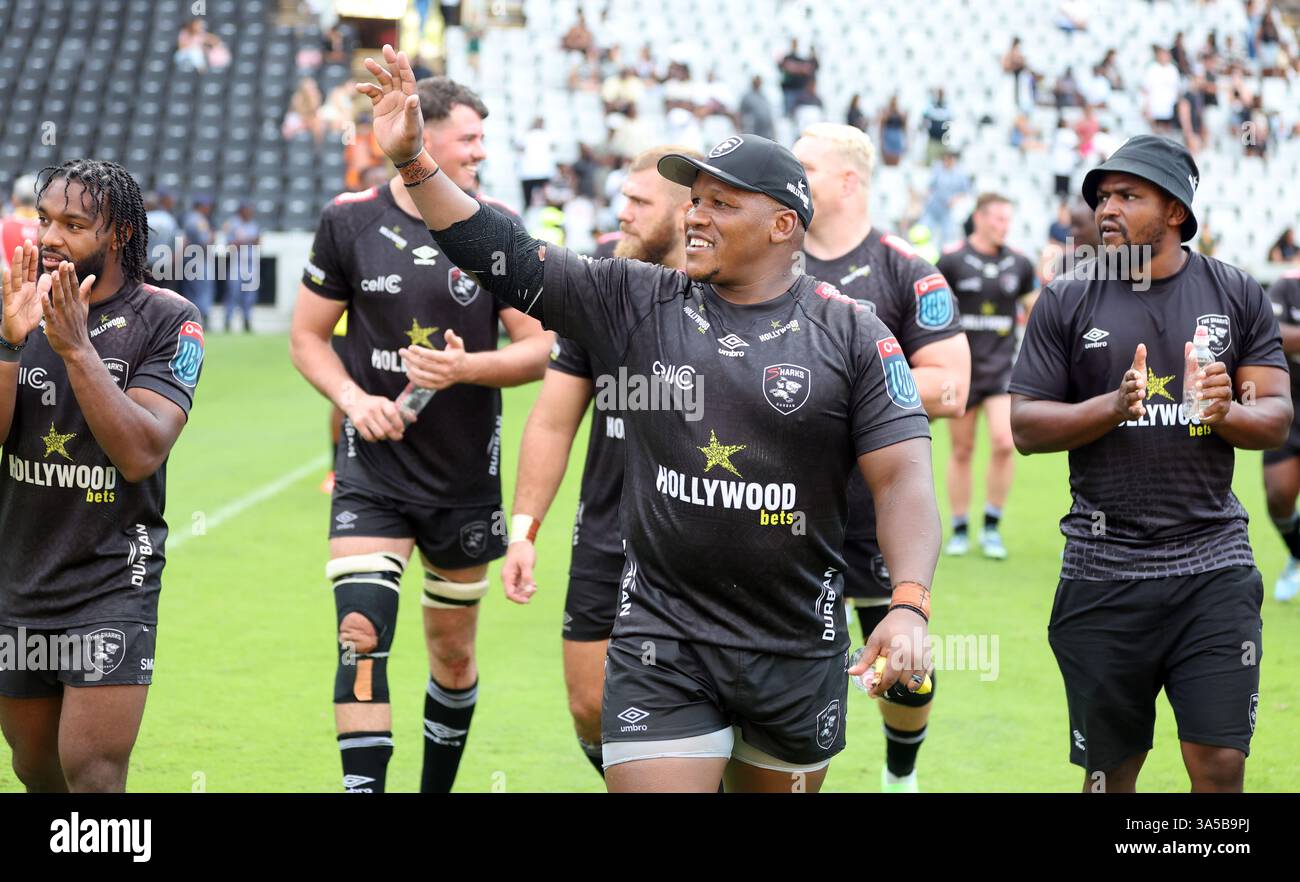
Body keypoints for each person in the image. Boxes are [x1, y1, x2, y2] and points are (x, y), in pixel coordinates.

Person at [358, 46, 940, 792]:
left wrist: (909, 605)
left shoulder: (856, 333)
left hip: (795, 648)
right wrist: (414, 164)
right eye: (693, 199)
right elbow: (504, 254)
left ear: (784, 225)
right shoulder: (634, 299)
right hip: (662, 643)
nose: (695, 215)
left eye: (721, 203)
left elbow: (903, 480)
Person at [289, 74, 553, 794]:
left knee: (453, 655)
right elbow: (308, 338)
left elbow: (541, 349)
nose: (480, 151)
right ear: (422, 133)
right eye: (468, 137)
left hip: (464, 480)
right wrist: (350, 396)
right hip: (373, 473)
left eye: (481, 139)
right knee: (362, 637)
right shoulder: (347, 221)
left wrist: (471, 369)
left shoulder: (495, 227)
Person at [1009, 135, 1291, 792]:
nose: (1106, 208)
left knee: (1220, 765)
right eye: (1102, 196)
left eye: (1127, 195)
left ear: (1174, 211)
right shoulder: (1067, 298)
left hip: (1212, 566)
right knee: (1110, 772)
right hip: (1102, 570)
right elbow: (1025, 426)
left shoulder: (1235, 291)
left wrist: (1227, 413)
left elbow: (1275, 414)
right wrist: (1111, 406)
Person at [0, 160, 204, 791]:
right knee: (36, 769)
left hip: (113, 576)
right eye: (45, 220)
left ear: (117, 234)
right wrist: (9, 345)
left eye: (75, 224)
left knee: (91, 773)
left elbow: (143, 451)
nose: (52, 237)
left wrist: (76, 349)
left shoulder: (169, 319)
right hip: (19, 572)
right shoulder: (17, 302)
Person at [501, 145, 697, 779]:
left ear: (686, 211)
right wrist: (524, 531)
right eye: (623, 199)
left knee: (702, 714)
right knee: (590, 707)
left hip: (701, 544)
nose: (624, 215)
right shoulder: (603, 295)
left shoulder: (721, 297)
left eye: (639, 203)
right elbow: (553, 421)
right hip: (606, 536)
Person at [795, 123, 969, 793]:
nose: (793, 177)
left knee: (904, 665)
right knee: (791, 672)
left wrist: (835, 384)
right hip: (780, 513)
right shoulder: (768, 259)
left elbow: (950, 385)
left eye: (806, 166)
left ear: (847, 180)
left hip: (877, 513)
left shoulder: (906, 268)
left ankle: (901, 775)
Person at [938, 194, 1038, 559]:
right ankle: (961, 528)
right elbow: (933, 313)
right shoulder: (951, 260)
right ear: (979, 218)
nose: (1003, 224)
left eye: (1007, 218)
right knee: (962, 449)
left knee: (1002, 442)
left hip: (1001, 371)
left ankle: (992, 527)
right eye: (997, 217)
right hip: (963, 371)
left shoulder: (1020, 263)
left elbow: (1038, 312)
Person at [1265, 266, 1300, 600]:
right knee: (1279, 496)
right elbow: (1272, 331)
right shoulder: (1286, 285)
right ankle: (1297, 552)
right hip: (1290, 407)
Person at [221, 202, 260, 333]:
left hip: (250, 264)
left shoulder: (254, 224)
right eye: (247, 210)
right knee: (233, 293)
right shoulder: (232, 223)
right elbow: (230, 244)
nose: (250, 213)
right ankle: (227, 321)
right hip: (236, 263)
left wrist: (246, 240)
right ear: (242, 210)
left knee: (249, 294)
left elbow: (258, 240)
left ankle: (247, 321)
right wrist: (246, 240)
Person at [921, 148, 971, 249]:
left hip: (948, 210)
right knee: (924, 231)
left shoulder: (960, 174)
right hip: (934, 207)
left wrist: (955, 199)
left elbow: (966, 191)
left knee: (947, 238)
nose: (947, 160)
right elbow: (930, 186)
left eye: (950, 158)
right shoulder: (937, 169)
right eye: (946, 158)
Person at [180, 194, 216, 327]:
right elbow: (204, 242)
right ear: (201, 206)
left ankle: (192, 321)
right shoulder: (199, 220)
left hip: (190, 260)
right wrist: (212, 237)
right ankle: (201, 322)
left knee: (192, 292)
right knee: (202, 291)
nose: (209, 209)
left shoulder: (189, 218)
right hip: (198, 260)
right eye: (207, 206)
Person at [0, 175, 40, 274]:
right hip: (42, 287)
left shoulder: (2, 225)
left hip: (8, 286)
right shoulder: (49, 228)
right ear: (39, 200)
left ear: (14, 199)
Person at [739, 76, 776, 141]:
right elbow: (741, 113)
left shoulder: (763, 95)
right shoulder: (747, 96)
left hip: (766, 130)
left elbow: (768, 113)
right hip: (752, 129)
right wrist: (740, 128)